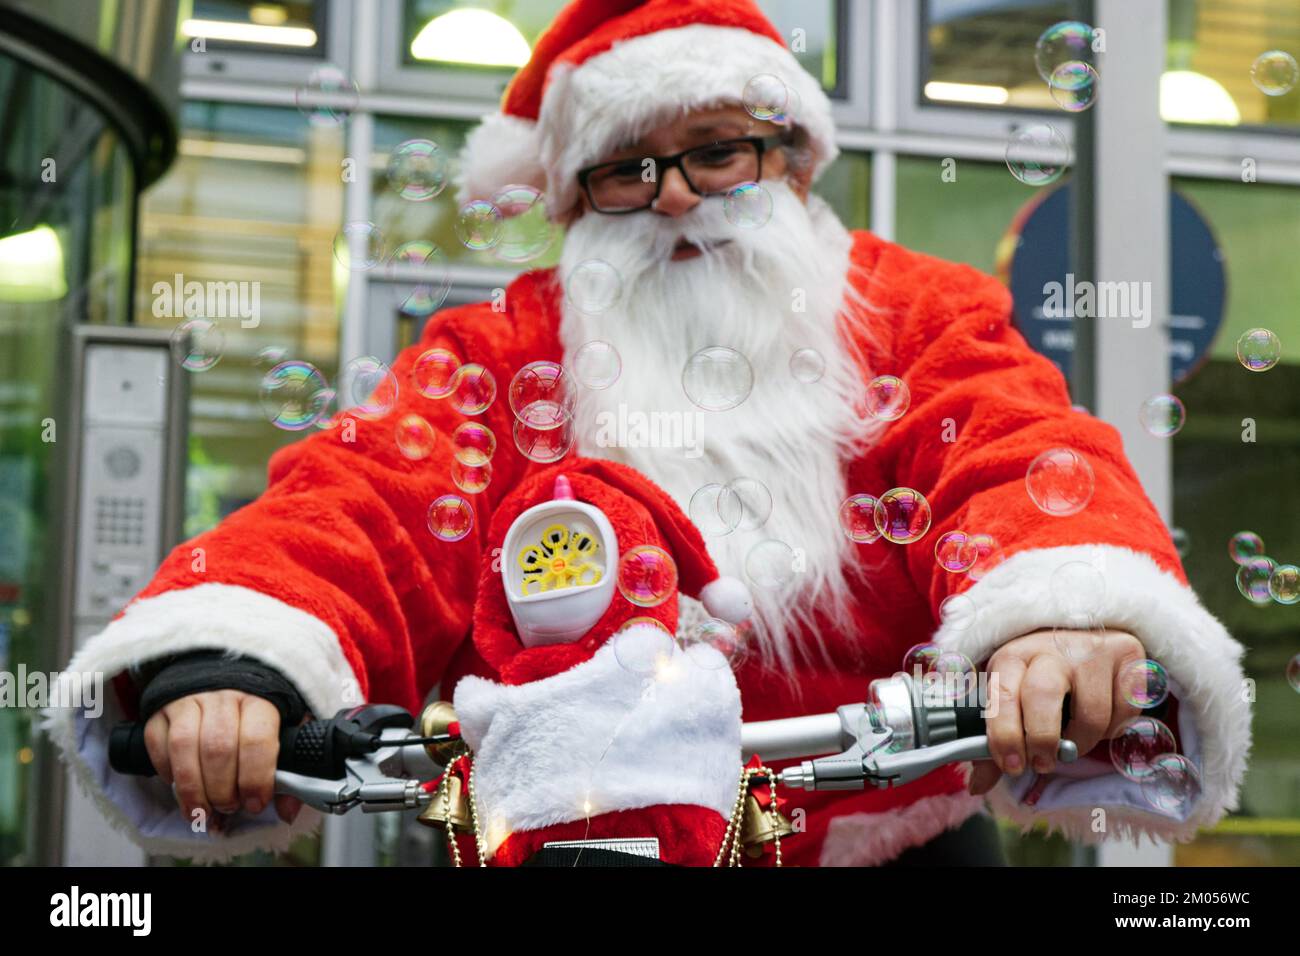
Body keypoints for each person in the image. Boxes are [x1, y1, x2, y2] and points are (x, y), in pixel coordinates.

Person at [45, 0, 1250, 866]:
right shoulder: (497, 356)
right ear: (572, 199)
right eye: (625, 168)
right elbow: (357, 502)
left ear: (793, 164)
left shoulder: (913, 314)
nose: (673, 194)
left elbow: (1016, 453)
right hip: (569, 830)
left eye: (716, 151)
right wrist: (233, 660)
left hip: (890, 836)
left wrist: (1063, 613)